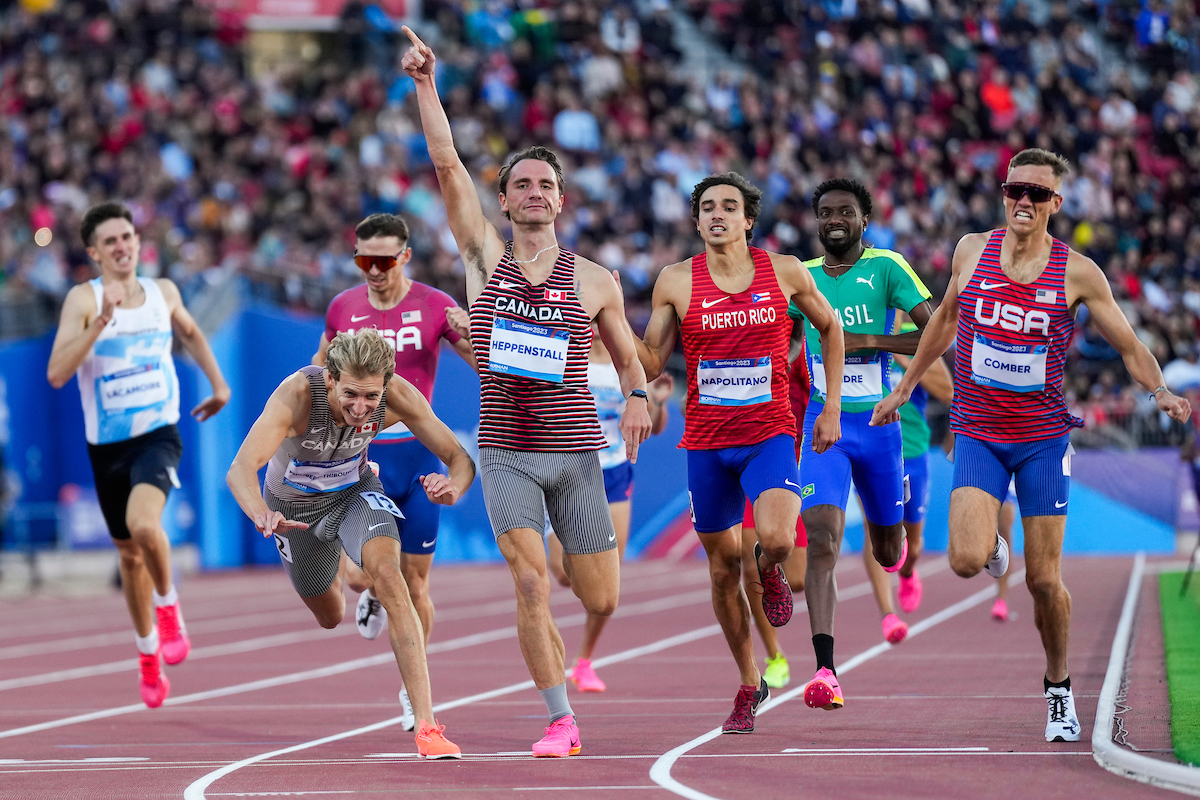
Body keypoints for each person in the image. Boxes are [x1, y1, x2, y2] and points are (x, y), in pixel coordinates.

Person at [873, 147, 1192, 743]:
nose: (1023, 200)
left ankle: (1058, 689)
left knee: (1044, 582)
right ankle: (995, 544)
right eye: (1014, 189)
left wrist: (1161, 392)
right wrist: (909, 384)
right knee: (969, 560)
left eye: (1036, 194)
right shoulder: (973, 251)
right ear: (1003, 194)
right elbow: (941, 321)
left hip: (1043, 438)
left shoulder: (1078, 272)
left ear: (1056, 204)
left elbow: (1127, 343)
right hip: (976, 428)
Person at [400, 26, 653, 758]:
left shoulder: (595, 279)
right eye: (521, 185)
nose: (534, 193)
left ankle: (572, 568)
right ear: (505, 202)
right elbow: (448, 166)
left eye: (546, 184)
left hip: (577, 454)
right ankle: (560, 718)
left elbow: (630, 362)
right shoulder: (484, 256)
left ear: (561, 201)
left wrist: (636, 396)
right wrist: (426, 86)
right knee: (530, 583)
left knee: (598, 594)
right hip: (506, 450)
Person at [633, 170, 845, 733]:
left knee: (774, 541)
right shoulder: (675, 282)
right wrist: (604, 311)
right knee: (722, 571)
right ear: (698, 220)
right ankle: (750, 682)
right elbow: (652, 360)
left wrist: (830, 406)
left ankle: (766, 566)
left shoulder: (785, 271)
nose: (718, 215)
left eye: (729, 206)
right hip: (705, 442)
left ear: (749, 219)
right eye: (708, 208)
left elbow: (830, 327)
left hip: (769, 431)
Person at [226, 329, 472, 759]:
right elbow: (241, 468)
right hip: (293, 512)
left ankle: (428, 726)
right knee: (329, 615)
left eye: (371, 397)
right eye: (351, 395)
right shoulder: (296, 396)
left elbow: (460, 459)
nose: (361, 409)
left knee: (394, 581)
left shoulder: (396, 395)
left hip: (354, 492)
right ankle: (343, 559)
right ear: (331, 380)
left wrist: (452, 489)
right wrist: (260, 513)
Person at [46, 202, 230, 708]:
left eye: (127, 236)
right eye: (111, 241)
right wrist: (99, 322)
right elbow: (58, 373)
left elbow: (190, 331)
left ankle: (168, 606)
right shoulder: (83, 301)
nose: (123, 246)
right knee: (128, 555)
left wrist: (219, 385)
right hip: (106, 446)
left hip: (158, 434)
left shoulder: (162, 292)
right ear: (94, 253)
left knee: (145, 526)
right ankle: (147, 652)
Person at [313, 212, 476, 732]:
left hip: (417, 455)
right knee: (361, 574)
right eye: (364, 260)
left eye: (384, 260)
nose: (374, 270)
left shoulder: (434, 305)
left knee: (416, 585)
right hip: (360, 456)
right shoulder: (344, 306)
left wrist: (474, 333)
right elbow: (319, 373)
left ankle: (413, 688)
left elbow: (486, 365)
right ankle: (373, 596)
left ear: (405, 256)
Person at [789, 178, 934, 713]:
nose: (835, 220)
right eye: (826, 212)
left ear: (863, 220)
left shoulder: (887, 268)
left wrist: (868, 341)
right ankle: (826, 669)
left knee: (888, 550)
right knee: (823, 540)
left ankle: (890, 519)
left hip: (878, 426)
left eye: (846, 212)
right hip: (823, 426)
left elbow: (934, 330)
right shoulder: (800, 278)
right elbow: (772, 335)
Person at [545, 333, 674, 692]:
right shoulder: (567, 347)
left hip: (614, 470)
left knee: (608, 577)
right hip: (569, 467)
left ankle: (584, 661)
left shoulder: (629, 358)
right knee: (562, 572)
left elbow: (653, 426)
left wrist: (658, 404)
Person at [858, 327, 955, 643]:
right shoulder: (861, 331)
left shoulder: (916, 338)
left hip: (911, 451)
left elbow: (949, 392)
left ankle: (909, 572)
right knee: (876, 534)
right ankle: (888, 614)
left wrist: (903, 357)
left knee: (911, 545)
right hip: (871, 446)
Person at [741, 336, 812, 689]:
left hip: (796, 467)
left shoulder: (802, 353)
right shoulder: (741, 345)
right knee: (746, 559)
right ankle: (774, 654)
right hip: (753, 464)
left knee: (797, 579)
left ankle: (774, 572)